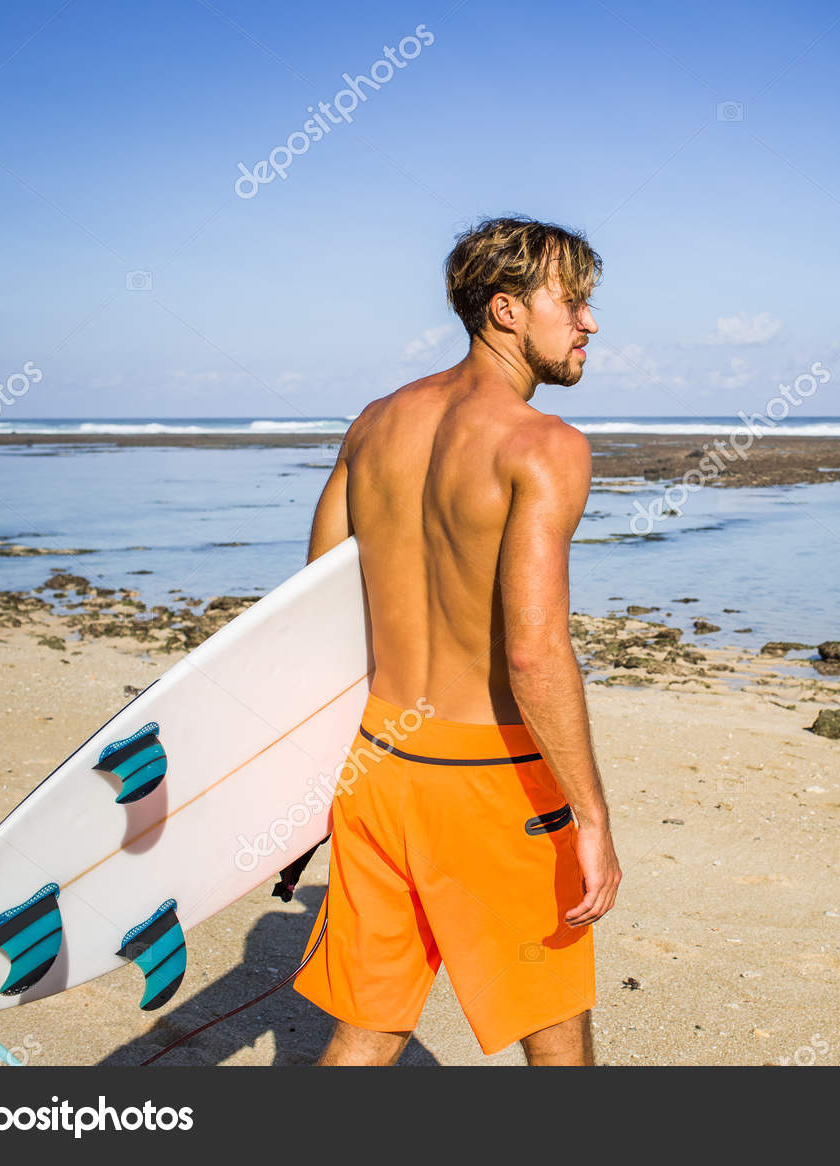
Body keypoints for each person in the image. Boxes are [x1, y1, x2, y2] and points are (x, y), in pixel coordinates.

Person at [291, 216, 621, 1066]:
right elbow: (533, 652)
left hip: (379, 768)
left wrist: (303, 792)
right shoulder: (544, 446)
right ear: (507, 311)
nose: (590, 322)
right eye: (573, 302)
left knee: (369, 1028)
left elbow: (317, 612)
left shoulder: (373, 424)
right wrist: (590, 816)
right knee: (557, 1036)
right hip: (489, 783)